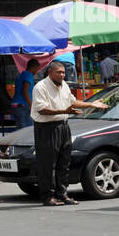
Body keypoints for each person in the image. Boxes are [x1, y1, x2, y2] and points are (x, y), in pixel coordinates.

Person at [29, 61, 102, 206]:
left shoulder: (64, 85)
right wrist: (64, 111)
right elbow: (41, 110)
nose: (62, 75)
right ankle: (47, 196)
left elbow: (72, 102)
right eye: (59, 72)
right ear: (50, 72)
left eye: (63, 72)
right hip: (46, 127)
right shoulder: (40, 87)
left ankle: (62, 194)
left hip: (63, 126)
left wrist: (91, 104)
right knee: (47, 164)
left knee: (64, 162)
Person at [12, 59, 40, 129]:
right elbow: (25, 90)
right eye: (37, 69)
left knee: (20, 130)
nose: (37, 71)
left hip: (15, 105)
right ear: (33, 67)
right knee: (27, 131)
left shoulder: (21, 74)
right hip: (23, 105)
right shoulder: (28, 75)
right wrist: (31, 105)